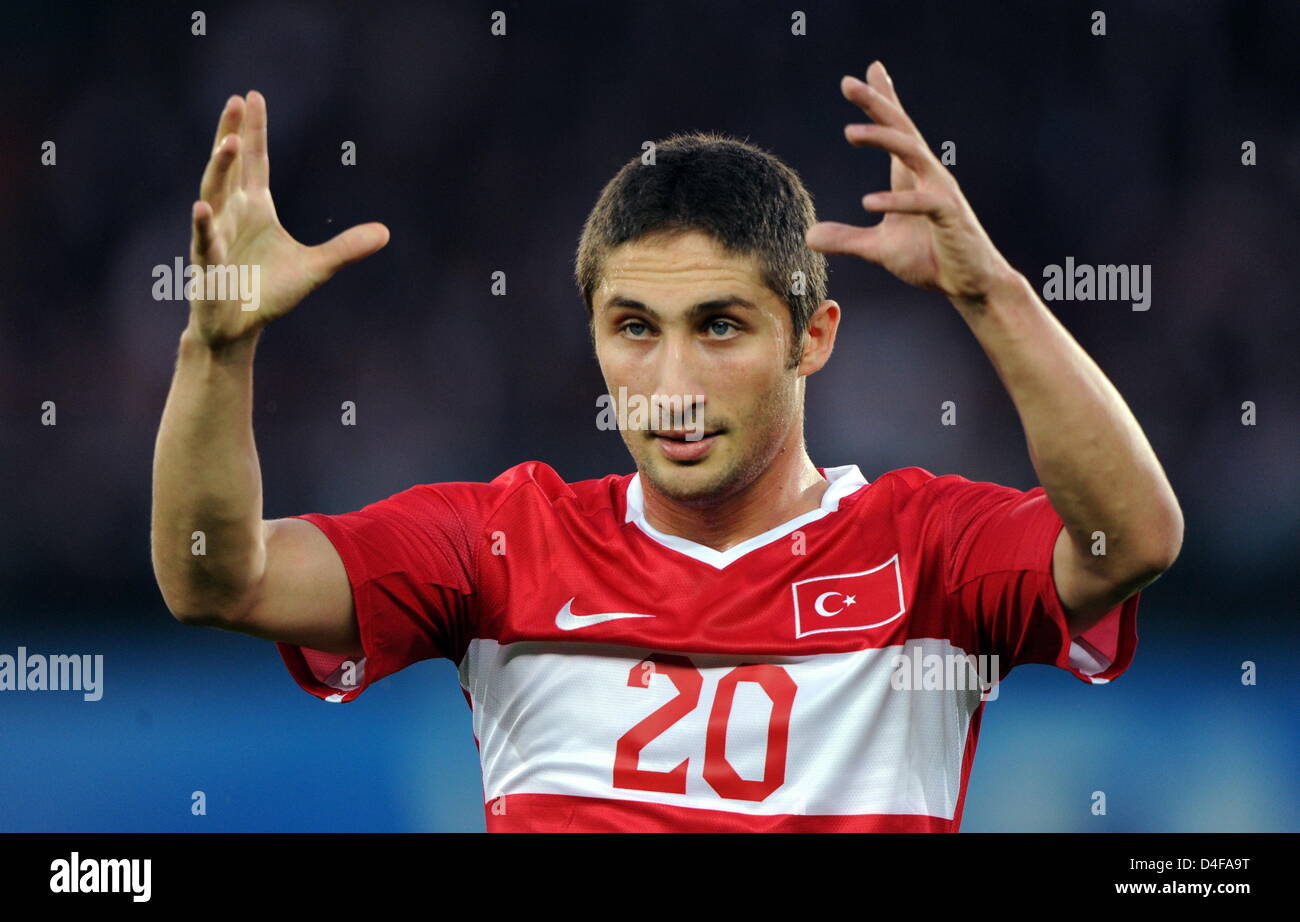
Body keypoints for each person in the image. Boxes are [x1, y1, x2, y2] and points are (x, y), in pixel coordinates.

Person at [151, 61, 1183, 832]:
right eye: (635, 328)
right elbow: (215, 581)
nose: (673, 386)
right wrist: (217, 345)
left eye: (720, 327)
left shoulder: (924, 554)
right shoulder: (500, 542)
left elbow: (1132, 538)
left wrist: (986, 291)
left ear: (810, 338)